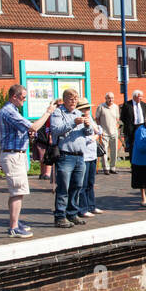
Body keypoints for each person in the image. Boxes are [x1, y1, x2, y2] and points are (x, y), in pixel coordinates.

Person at [0, 84, 41, 238]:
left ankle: (15, 221)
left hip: (17, 154)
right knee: (17, 191)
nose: (25, 100)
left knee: (18, 191)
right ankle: (14, 227)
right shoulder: (8, 111)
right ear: (14, 96)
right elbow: (34, 126)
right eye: (23, 97)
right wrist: (48, 112)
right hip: (12, 156)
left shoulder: (14, 110)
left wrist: (28, 136)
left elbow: (25, 131)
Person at [49, 88, 93, 228]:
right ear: (65, 99)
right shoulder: (58, 113)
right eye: (71, 98)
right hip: (65, 155)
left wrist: (87, 126)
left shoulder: (79, 113)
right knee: (63, 187)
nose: (73, 101)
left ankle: (72, 213)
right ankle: (60, 216)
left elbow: (88, 133)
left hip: (80, 156)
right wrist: (74, 122)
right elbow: (56, 130)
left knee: (77, 186)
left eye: (75, 99)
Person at [76, 101, 106, 216]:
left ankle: (91, 205)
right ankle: (83, 208)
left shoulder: (90, 119)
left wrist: (96, 133)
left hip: (92, 154)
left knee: (90, 182)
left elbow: (99, 130)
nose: (87, 110)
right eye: (85, 109)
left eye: (88, 108)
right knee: (83, 184)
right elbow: (83, 138)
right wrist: (94, 136)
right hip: (84, 155)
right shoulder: (79, 121)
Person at [96, 92, 121, 174]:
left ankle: (113, 167)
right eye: (109, 98)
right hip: (104, 133)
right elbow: (97, 118)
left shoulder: (116, 107)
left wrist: (116, 128)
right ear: (105, 98)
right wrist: (100, 129)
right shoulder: (101, 107)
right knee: (104, 151)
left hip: (114, 132)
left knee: (114, 151)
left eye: (112, 98)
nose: (111, 99)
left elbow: (117, 119)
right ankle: (105, 168)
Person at [121, 90, 146, 159]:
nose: (141, 98)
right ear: (134, 97)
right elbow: (123, 117)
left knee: (142, 144)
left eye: (141, 97)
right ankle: (132, 161)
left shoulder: (143, 104)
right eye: (139, 97)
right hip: (131, 129)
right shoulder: (127, 104)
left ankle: (141, 160)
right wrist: (128, 124)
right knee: (132, 146)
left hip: (141, 127)